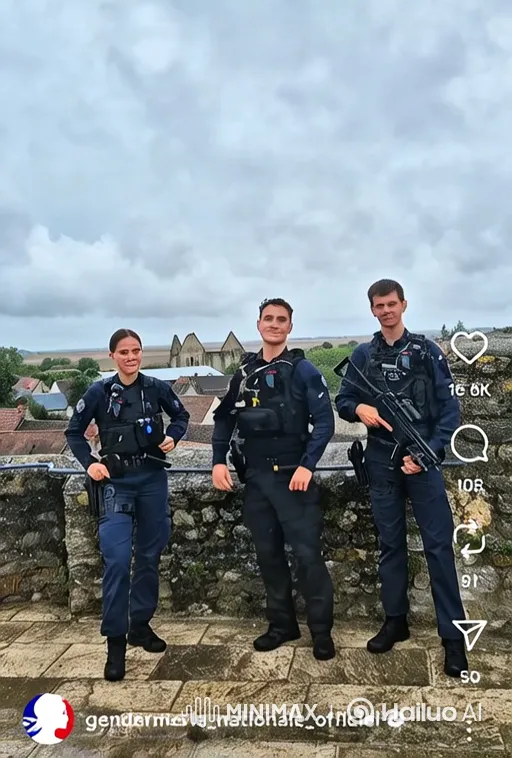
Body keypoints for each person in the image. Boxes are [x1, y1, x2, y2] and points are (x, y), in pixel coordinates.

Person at [335, 278, 468, 677]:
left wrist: (428, 453)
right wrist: (359, 408)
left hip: (423, 462)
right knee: (390, 545)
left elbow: (449, 411)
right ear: (372, 310)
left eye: (392, 304)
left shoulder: (427, 352)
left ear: (403, 305)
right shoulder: (362, 355)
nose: (386, 311)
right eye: (379, 306)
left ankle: (453, 638)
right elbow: (342, 401)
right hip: (380, 460)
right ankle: (396, 621)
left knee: (439, 548)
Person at [211, 298, 336, 660]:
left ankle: (321, 632)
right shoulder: (244, 372)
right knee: (268, 556)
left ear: (290, 327)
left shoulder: (304, 371)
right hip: (258, 480)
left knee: (308, 557)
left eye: (282, 320)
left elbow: (324, 423)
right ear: (259, 324)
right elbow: (224, 419)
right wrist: (218, 461)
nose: (275, 324)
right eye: (269, 319)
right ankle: (281, 625)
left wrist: (308, 465)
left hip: (294, 478)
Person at [65, 328, 189, 682]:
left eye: (136, 351)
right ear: (112, 356)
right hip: (116, 485)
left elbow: (181, 417)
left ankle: (141, 627)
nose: (131, 357)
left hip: (152, 481)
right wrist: (90, 463)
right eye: (124, 352)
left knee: (149, 558)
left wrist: (173, 437)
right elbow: (74, 433)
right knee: (118, 562)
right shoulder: (100, 392)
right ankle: (115, 645)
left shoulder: (156, 388)